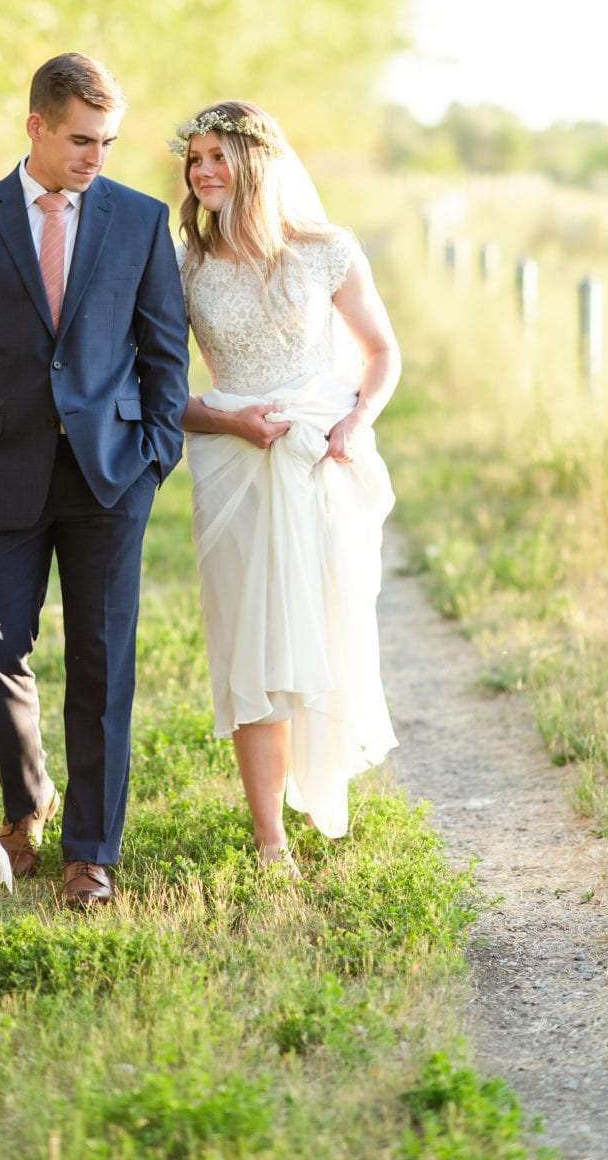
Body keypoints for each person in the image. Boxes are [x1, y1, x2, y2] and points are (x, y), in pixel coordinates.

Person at [0, 52, 189, 905]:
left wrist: (154, 457)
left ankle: (89, 852)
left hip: (112, 477)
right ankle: (28, 806)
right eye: (80, 138)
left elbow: (166, 350)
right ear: (36, 126)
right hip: (3, 474)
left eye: (108, 140)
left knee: (103, 665)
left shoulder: (140, 221)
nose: (96, 156)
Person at [171, 100, 400, 878]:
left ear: (257, 163)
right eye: (194, 159)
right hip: (230, 455)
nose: (203, 171)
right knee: (249, 641)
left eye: (217, 156)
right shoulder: (184, 264)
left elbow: (380, 353)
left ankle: (315, 786)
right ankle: (270, 838)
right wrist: (227, 423)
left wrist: (356, 423)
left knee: (319, 626)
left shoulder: (328, 251)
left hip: (315, 455)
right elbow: (157, 382)